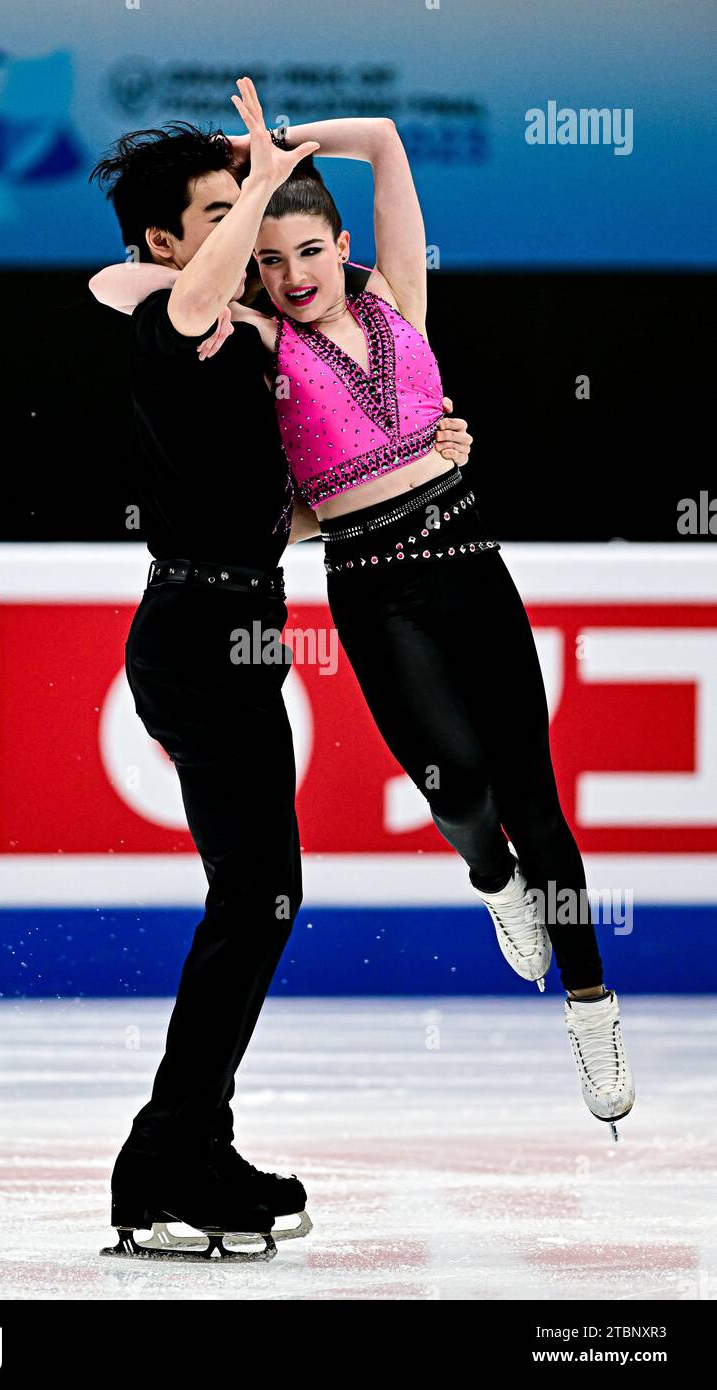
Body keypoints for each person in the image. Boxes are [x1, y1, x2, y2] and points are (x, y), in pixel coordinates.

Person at [93, 78, 635, 1141]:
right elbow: (118, 285)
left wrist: (273, 146)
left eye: (308, 253)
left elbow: (383, 138)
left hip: (470, 560)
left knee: (538, 799)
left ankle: (591, 1005)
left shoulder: (394, 299)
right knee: (465, 792)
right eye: (269, 261)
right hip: (372, 588)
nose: (291, 277)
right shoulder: (260, 348)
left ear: (340, 248)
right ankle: (491, 880)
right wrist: (245, 178)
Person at [87, 112, 477, 1258]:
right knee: (256, 898)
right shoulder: (175, 323)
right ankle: (167, 1155)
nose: (256, 225)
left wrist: (415, 460)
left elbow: (283, 515)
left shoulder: (244, 338)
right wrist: (258, 187)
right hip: (197, 639)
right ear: (167, 243)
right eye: (226, 213)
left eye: (256, 206)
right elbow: (159, 295)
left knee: (256, 899)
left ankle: (180, 1143)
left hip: (233, 619)